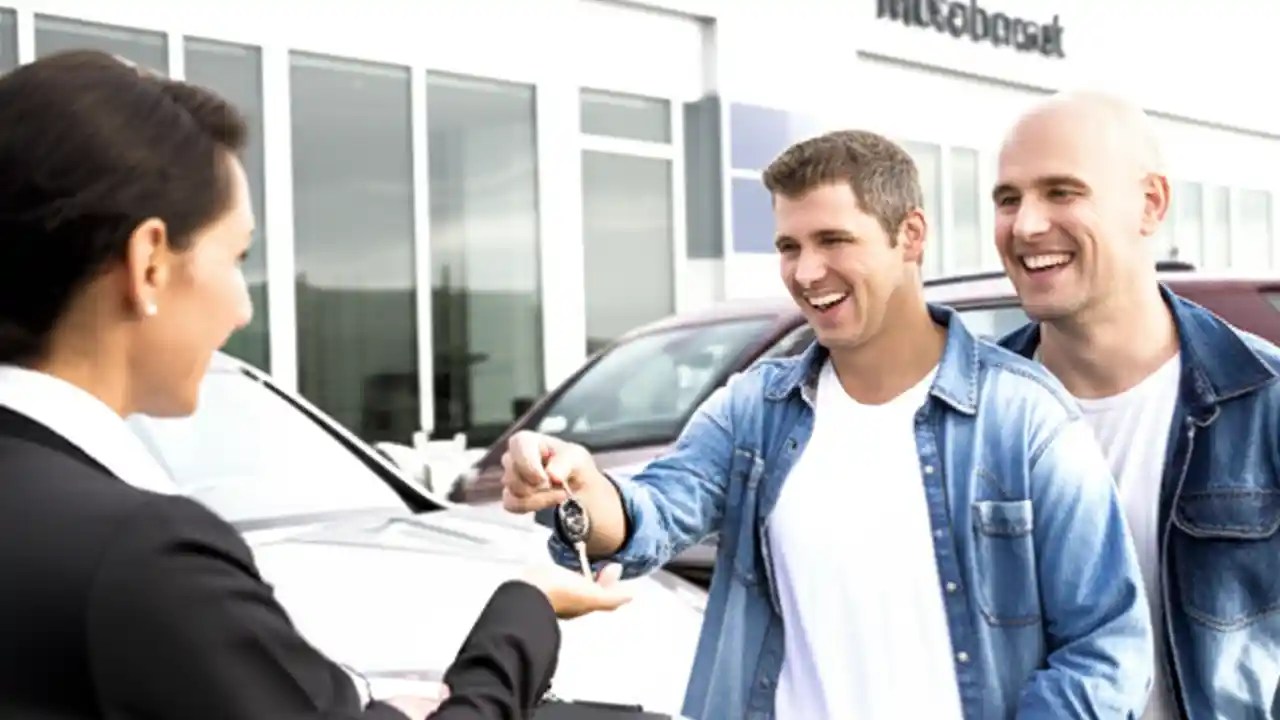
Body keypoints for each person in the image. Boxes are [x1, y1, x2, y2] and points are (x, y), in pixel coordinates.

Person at [0, 50, 631, 720]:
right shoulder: (146, 557)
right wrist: (523, 615)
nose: (243, 308)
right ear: (148, 262)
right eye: (236, 257)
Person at [501, 129, 1155, 719]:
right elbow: (653, 511)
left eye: (834, 240)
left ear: (910, 235)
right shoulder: (755, 409)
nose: (807, 272)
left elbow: (1106, 648)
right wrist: (578, 490)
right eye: (790, 246)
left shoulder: (1025, 419)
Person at [993, 90, 1280, 719]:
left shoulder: (1264, 403)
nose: (1025, 225)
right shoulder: (963, 415)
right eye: (1007, 198)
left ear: (1150, 203)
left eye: (1062, 192)